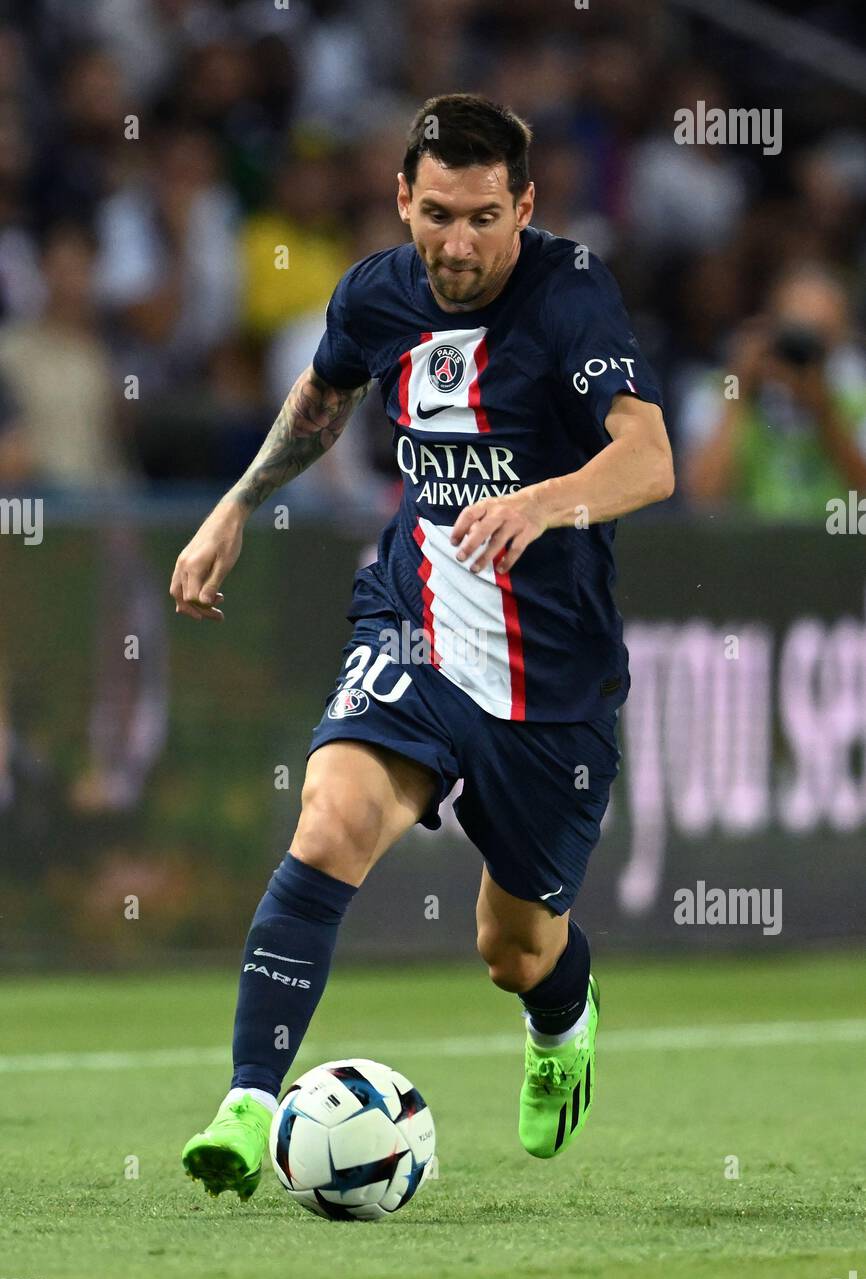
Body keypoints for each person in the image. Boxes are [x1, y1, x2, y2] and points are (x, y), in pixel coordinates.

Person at [171, 93, 673, 1200]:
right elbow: (323, 392)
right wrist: (236, 506)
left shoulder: (569, 293)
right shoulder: (377, 291)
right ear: (403, 197)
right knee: (332, 815)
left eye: (484, 217)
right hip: (413, 622)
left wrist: (546, 502)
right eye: (436, 213)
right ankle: (250, 1104)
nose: (458, 243)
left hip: (549, 680)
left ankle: (561, 1011)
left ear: (524, 205)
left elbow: (648, 460)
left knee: (514, 947)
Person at [684, 264, 866, 518]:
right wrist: (740, 389)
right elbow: (702, 498)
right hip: (752, 553)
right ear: (771, 328)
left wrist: (825, 414)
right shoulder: (724, 389)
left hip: (837, 552)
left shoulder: (857, 395)